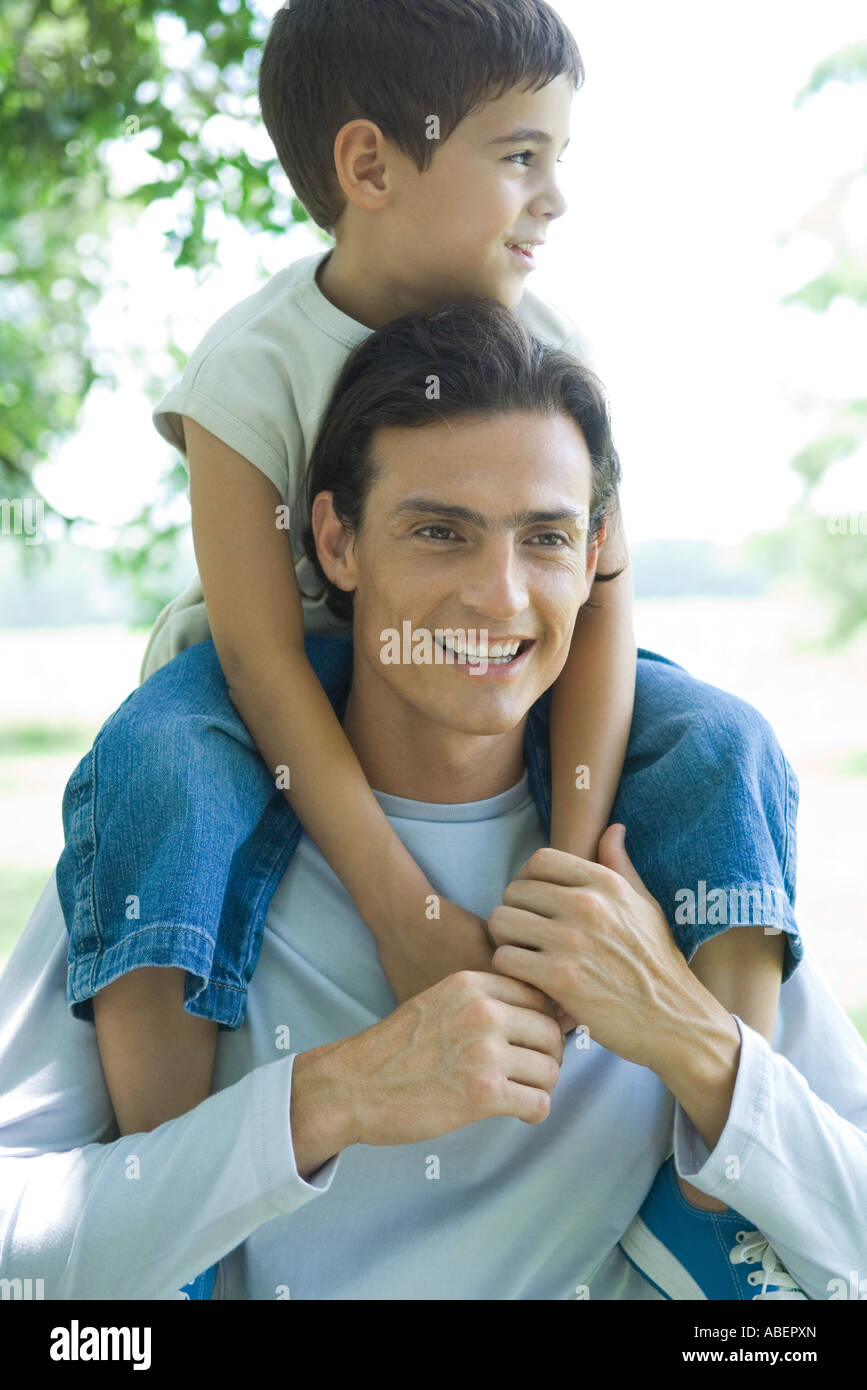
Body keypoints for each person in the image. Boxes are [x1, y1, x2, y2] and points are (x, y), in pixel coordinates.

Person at [52, 0, 802, 1297]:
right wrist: (402, 908)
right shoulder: (248, 368)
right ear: (368, 167)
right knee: (159, 769)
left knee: (722, 741)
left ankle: (720, 1134)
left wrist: (563, 882)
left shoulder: (551, 346)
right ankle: (170, 1198)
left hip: (523, 668)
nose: (554, 197)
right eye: (520, 155)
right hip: (267, 681)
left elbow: (604, 604)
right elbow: (267, 664)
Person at [2, 302, 865, 1301]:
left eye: (543, 538)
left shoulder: (672, 853)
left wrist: (691, 1038)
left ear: (592, 562)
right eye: (440, 532)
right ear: (336, 542)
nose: (499, 594)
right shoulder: (192, 829)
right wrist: (333, 1096)